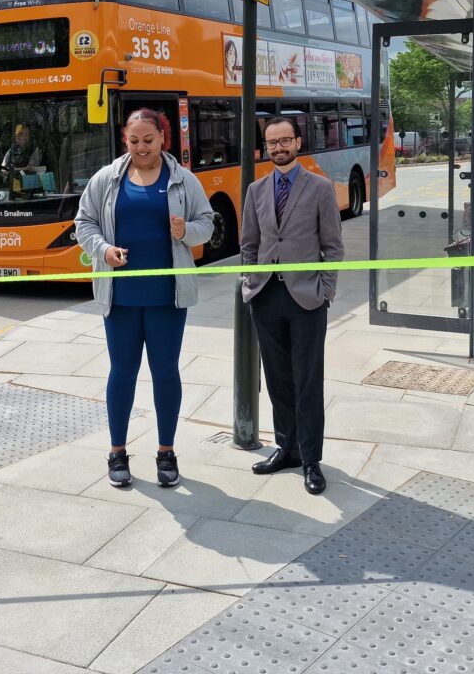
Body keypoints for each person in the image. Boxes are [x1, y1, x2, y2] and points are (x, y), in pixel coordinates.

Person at [75, 109, 213, 489]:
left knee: (165, 372)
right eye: (133, 141)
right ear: (125, 140)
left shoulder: (183, 180)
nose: (141, 148)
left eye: (148, 141)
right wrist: (102, 250)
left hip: (167, 296)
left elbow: (208, 223)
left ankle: (166, 452)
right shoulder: (106, 179)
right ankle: (117, 453)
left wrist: (187, 230)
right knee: (122, 372)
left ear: (163, 139)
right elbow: (83, 223)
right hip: (119, 297)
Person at [240, 117, 345, 495]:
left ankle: (311, 459)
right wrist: (249, 280)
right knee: (278, 378)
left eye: (285, 140)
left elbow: (333, 247)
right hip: (266, 296)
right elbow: (249, 243)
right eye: (272, 143)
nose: (279, 148)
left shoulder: (319, 188)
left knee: (307, 380)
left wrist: (325, 291)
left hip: (306, 299)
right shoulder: (255, 190)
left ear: (298, 142)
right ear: (265, 148)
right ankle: (286, 448)